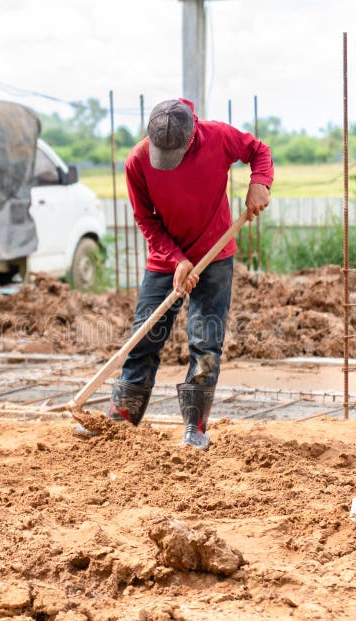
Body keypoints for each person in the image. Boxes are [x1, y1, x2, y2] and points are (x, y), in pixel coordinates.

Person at [98, 98, 274, 449]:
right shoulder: (137, 161)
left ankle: (196, 427)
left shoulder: (219, 138)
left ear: (192, 135)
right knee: (146, 335)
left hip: (215, 254)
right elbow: (145, 219)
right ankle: (122, 419)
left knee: (205, 341)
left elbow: (259, 150)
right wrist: (176, 259)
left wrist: (260, 181)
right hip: (166, 261)